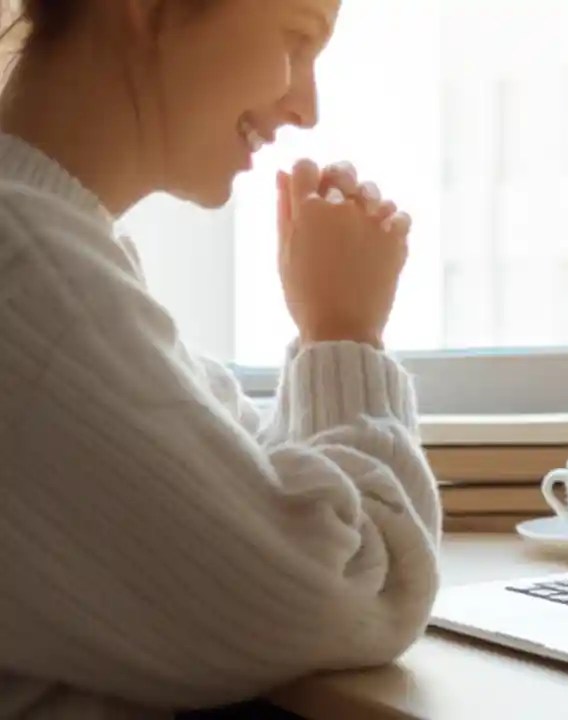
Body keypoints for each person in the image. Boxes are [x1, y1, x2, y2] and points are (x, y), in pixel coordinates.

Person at [0, 1, 442, 718]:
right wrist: (343, 333)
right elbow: (358, 586)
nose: (307, 106)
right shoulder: (31, 277)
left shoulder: (59, 260)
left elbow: (242, 481)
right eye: (297, 39)